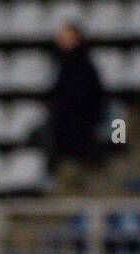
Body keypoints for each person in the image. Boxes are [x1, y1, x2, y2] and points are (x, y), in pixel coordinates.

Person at [45, 20, 107, 185]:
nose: (61, 41)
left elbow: (89, 100)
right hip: (67, 131)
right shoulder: (63, 65)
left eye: (66, 37)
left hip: (79, 131)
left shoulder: (82, 66)